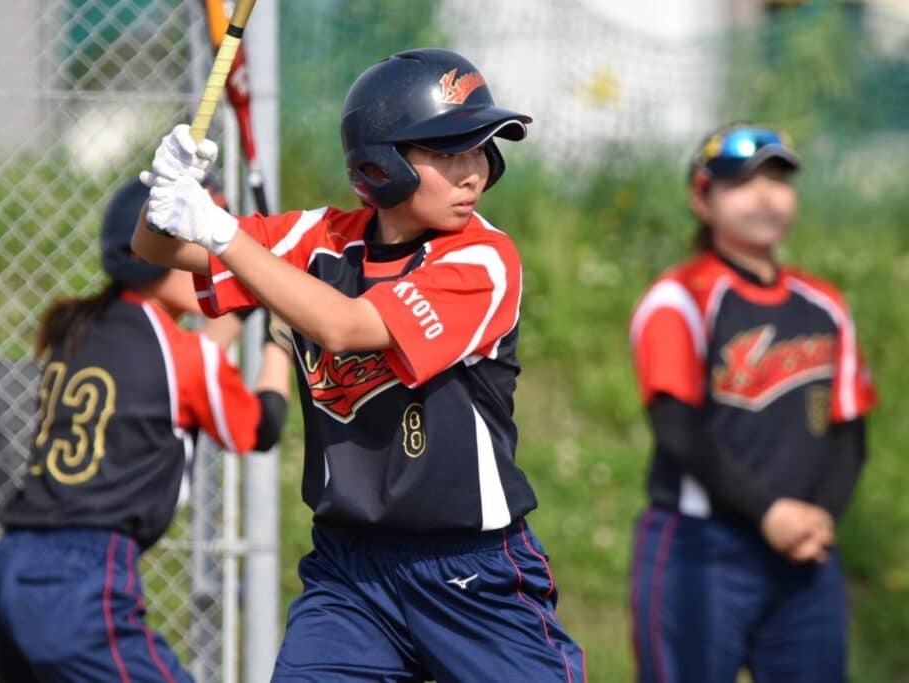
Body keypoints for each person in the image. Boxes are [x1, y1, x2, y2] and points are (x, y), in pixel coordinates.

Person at [132, 47, 588, 682]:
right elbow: (153, 249)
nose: (473, 174)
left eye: (481, 150)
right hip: (351, 574)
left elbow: (343, 329)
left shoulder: (484, 260)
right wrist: (162, 193)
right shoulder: (320, 239)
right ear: (380, 168)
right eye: (448, 152)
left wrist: (221, 231)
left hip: (470, 573)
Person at [0, 178, 292, 682]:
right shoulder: (186, 357)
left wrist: (253, 298)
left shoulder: (81, 328)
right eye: (206, 251)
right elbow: (261, 426)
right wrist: (283, 339)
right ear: (157, 254)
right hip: (77, 583)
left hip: (5, 572)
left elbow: (185, 360)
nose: (220, 266)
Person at [627, 123, 878, 683]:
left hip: (806, 550)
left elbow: (850, 429)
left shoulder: (823, 304)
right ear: (702, 197)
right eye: (741, 182)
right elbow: (675, 426)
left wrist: (818, 520)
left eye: (778, 179)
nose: (765, 195)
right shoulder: (682, 297)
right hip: (703, 544)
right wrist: (770, 512)